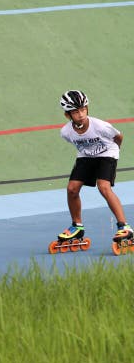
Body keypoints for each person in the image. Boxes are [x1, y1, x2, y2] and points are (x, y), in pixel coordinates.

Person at [56, 90, 132, 246]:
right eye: (76, 112)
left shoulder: (100, 126)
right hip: (86, 156)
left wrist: (113, 155)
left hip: (107, 153)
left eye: (83, 109)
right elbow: (80, 144)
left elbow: (119, 137)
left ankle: (125, 227)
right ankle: (77, 226)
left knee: (103, 187)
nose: (81, 114)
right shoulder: (66, 132)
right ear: (67, 115)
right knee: (72, 189)